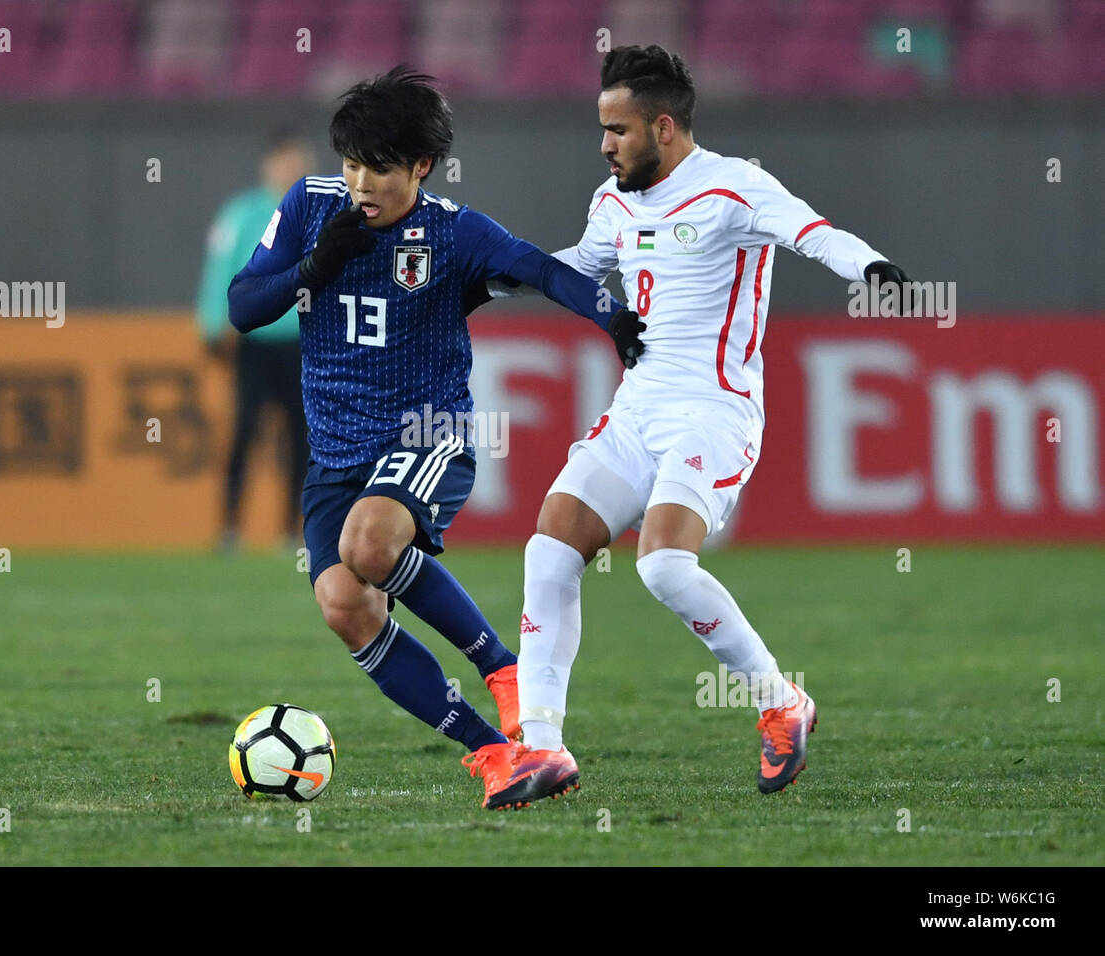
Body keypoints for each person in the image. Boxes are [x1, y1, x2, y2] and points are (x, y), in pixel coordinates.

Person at [484, 46, 912, 809]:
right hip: (635, 410)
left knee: (661, 568)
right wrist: (480, 280)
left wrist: (871, 268)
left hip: (713, 414)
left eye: (617, 130)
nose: (605, 144)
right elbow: (577, 266)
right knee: (549, 550)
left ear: (665, 126)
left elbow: (813, 233)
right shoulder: (612, 200)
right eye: (601, 129)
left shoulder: (734, 185)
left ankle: (782, 703)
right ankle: (542, 750)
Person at [228, 67, 645, 806]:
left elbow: (538, 270)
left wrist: (609, 315)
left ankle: (503, 668)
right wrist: (318, 265)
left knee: (369, 546)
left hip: (429, 433)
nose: (361, 182)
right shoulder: (310, 207)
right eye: (352, 162)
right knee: (343, 605)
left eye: (380, 167)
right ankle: (494, 754)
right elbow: (243, 307)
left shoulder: (453, 233)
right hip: (336, 455)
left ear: (421, 166)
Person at [196, 130, 312, 549]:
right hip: (255, 344)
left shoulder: (319, 210)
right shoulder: (243, 214)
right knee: (245, 431)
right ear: (268, 166)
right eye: (284, 161)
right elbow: (220, 267)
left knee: (302, 438)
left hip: (304, 345)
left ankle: (292, 530)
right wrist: (212, 324)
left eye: (298, 161)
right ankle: (230, 527)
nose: (291, 169)